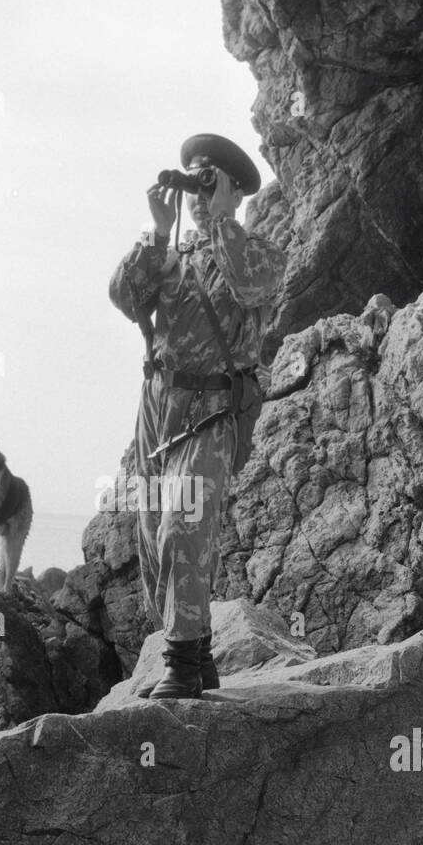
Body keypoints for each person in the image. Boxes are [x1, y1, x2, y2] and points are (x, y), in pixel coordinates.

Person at [109, 133, 286, 697]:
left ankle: (182, 665)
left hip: (213, 407)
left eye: (211, 181)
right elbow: (122, 295)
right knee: (149, 537)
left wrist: (217, 219)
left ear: (235, 192)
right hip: (158, 411)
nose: (197, 192)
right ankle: (199, 653)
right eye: (194, 179)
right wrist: (158, 232)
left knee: (183, 529)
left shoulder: (256, 250)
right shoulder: (169, 258)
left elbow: (251, 283)